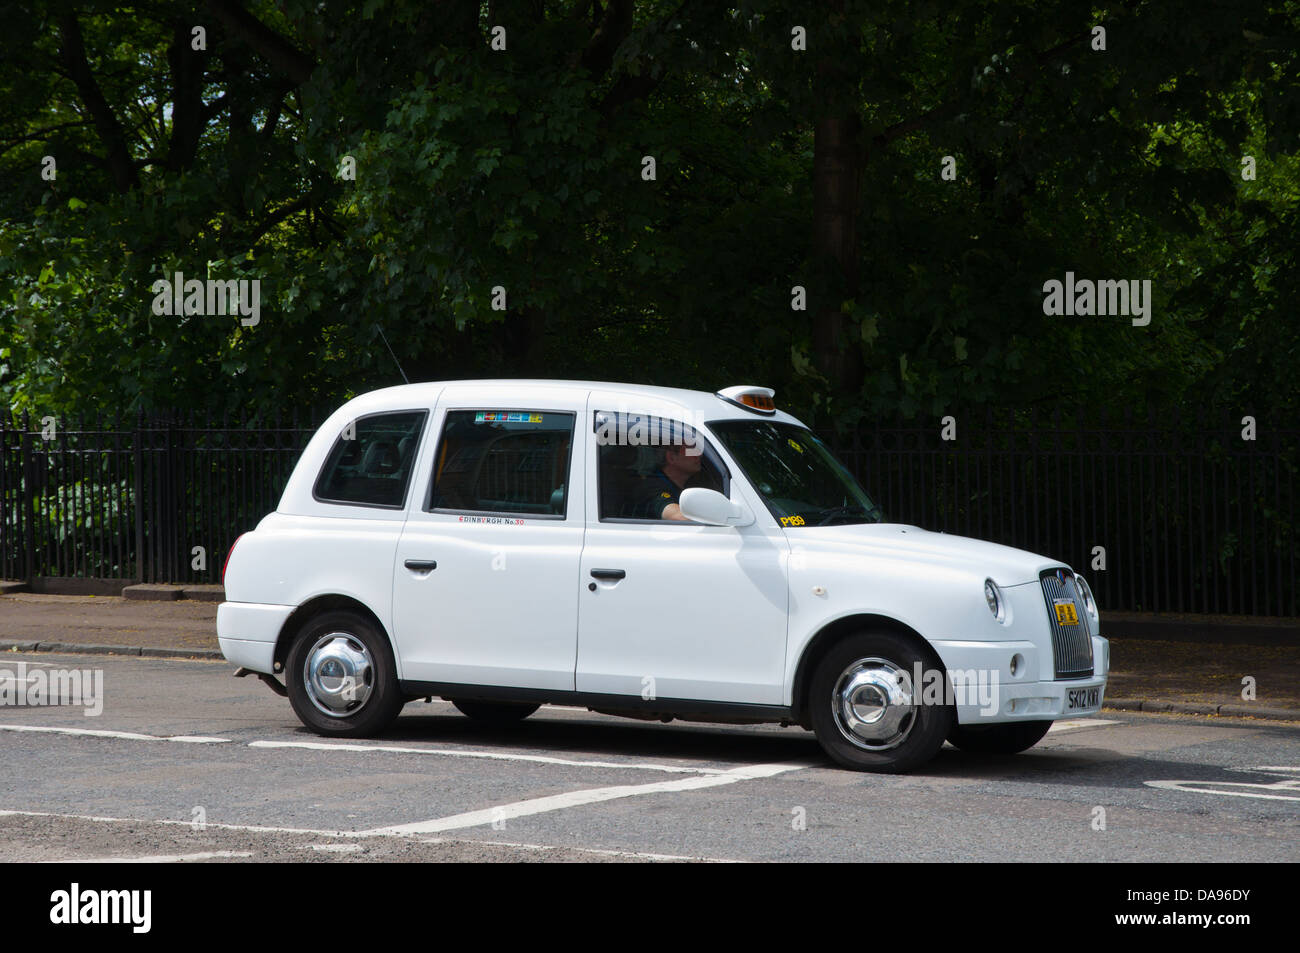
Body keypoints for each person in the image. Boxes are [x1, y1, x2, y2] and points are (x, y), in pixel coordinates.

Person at [631, 440, 702, 520]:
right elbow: (676, 516)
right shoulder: (651, 486)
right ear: (671, 457)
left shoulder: (688, 485)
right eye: (691, 451)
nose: (698, 455)